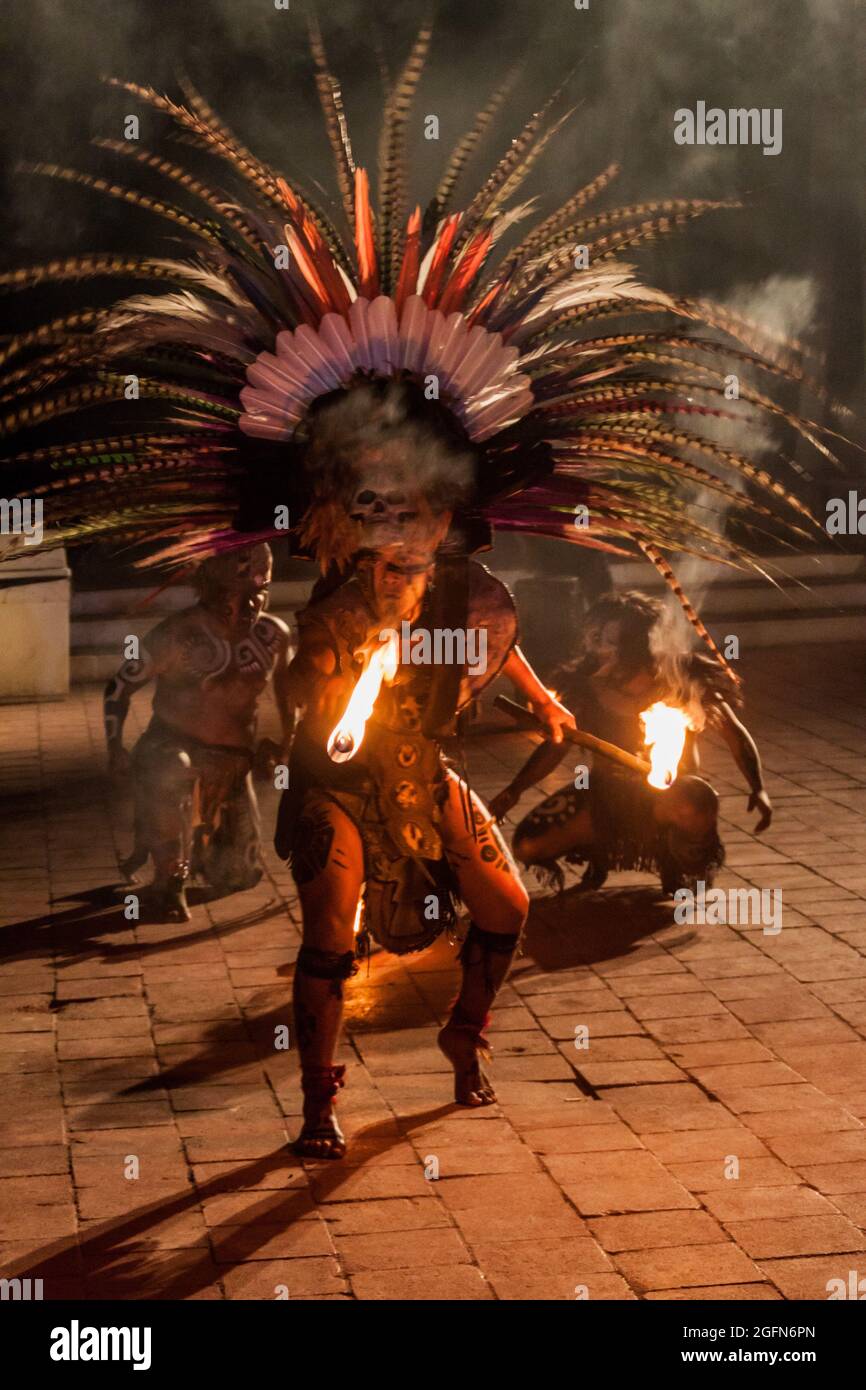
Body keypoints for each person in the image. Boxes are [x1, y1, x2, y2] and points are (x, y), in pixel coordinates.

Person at [489, 591, 772, 895]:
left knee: (692, 805)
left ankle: (675, 863)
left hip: (671, 797)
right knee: (530, 844)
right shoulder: (587, 683)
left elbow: (733, 733)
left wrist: (757, 787)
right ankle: (598, 852)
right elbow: (559, 744)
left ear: (636, 645)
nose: (598, 648)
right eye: (596, 636)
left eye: (610, 641)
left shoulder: (682, 676)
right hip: (606, 795)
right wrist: (515, 788)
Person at [104, 544, 292, 921]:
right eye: (237, 598)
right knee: (170, 767)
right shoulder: (176, 634)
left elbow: (289, 698)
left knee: (239, 875)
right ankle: (169, 879)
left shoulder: (274, 636)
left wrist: (286, 744)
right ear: (212, 594)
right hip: (173, 746)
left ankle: (205, 846)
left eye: (260, 594)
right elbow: (119, 687)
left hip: (232, 765)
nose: (252, 606)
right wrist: (116, 748)